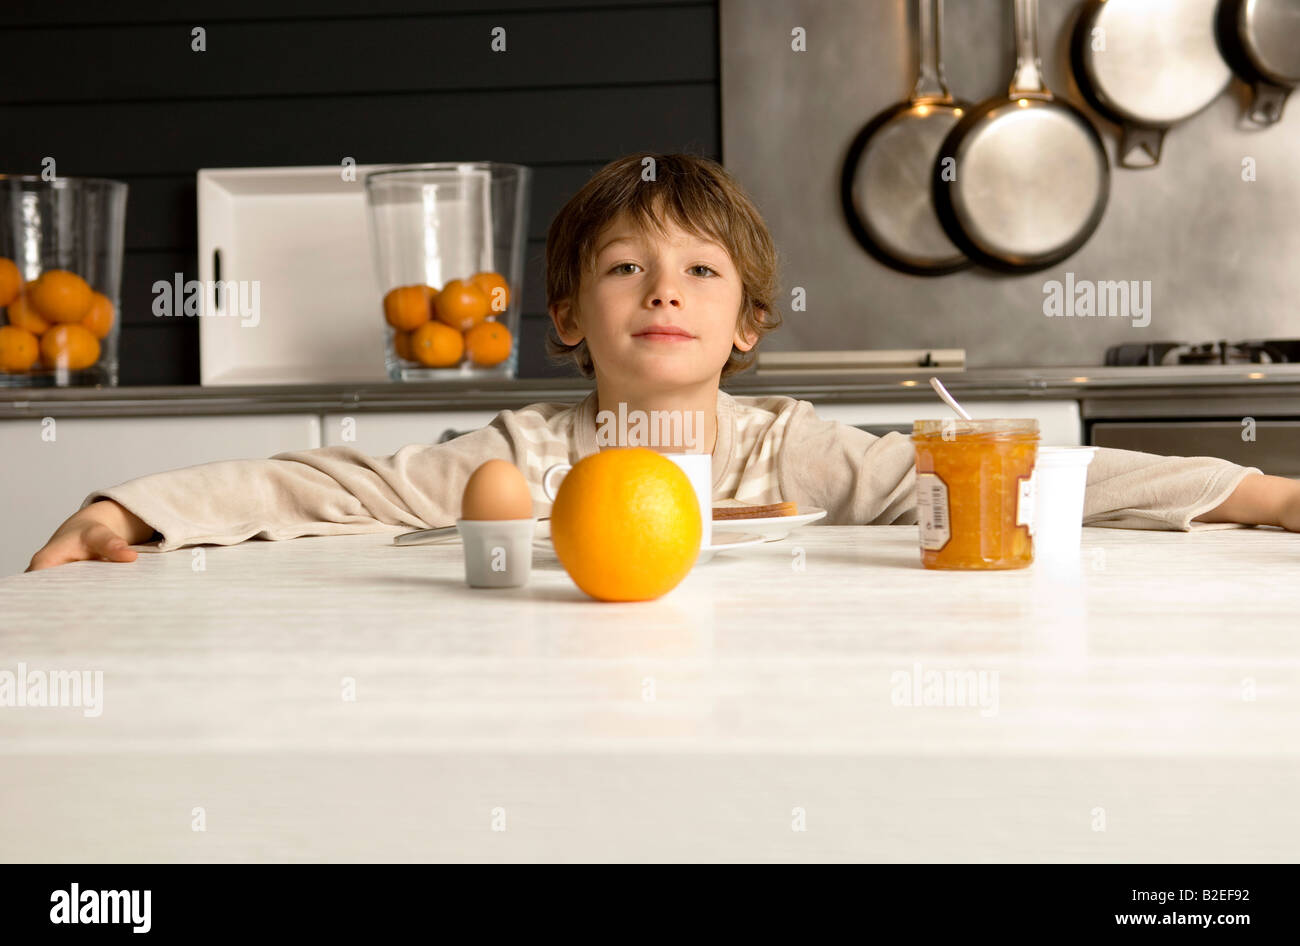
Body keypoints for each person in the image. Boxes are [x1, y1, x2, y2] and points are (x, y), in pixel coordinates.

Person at [26, 154, 1300, 572]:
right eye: (625, 268)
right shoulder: (524, 453)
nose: (663, 292)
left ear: (748, 320)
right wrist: (131, 506)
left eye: (699, 273)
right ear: (570, 315)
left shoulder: (788, 442)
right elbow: (344, 486)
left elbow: (1004, 478)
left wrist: (1261, 493)